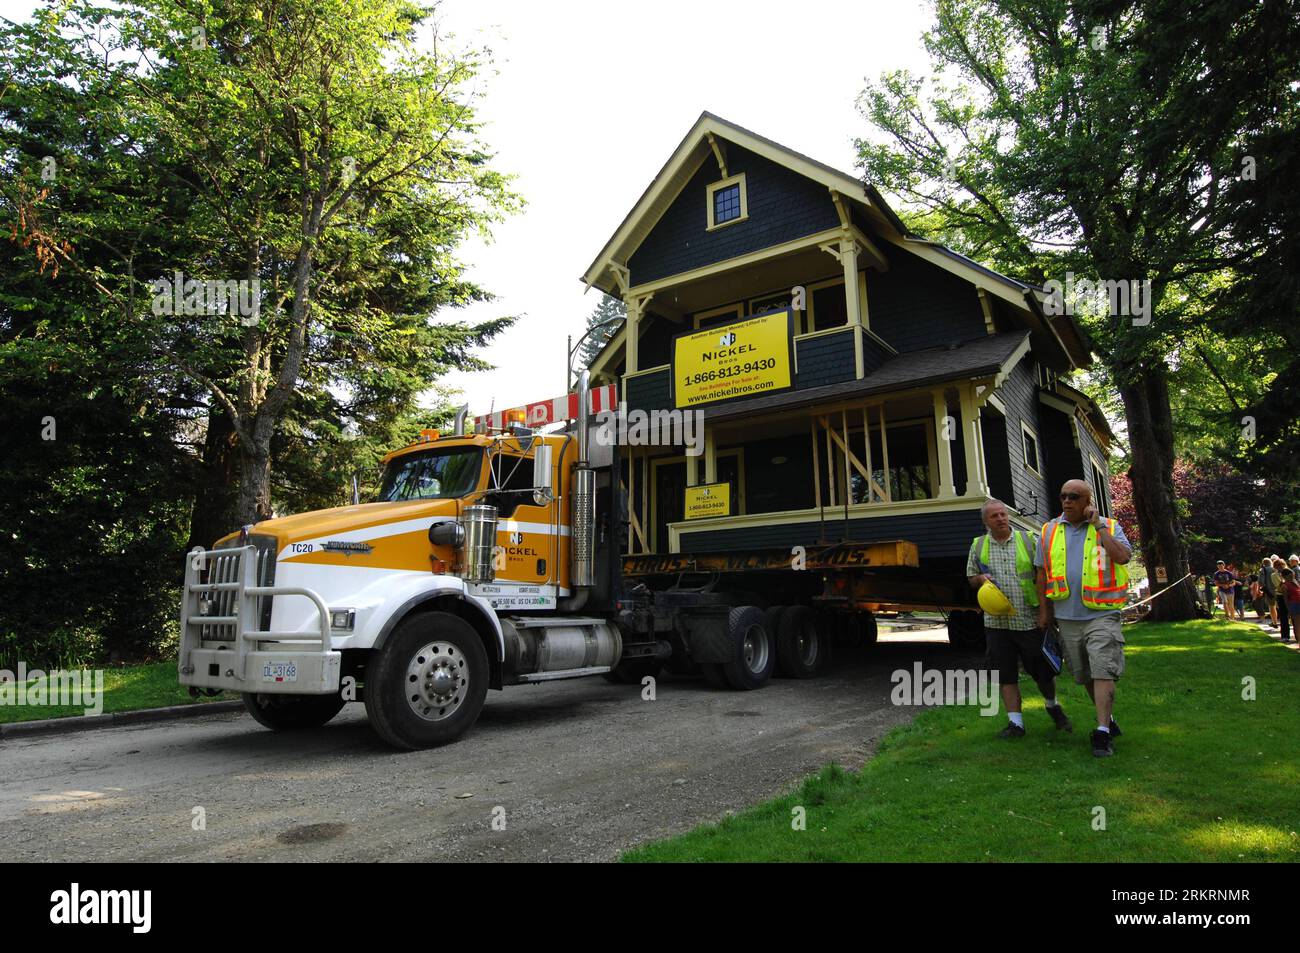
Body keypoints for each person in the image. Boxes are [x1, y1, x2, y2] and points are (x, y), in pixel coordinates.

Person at [1036, 479, 1133, 758]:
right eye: (1063, 496)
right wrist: (1045, 611)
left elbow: (1123, 557)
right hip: (1066, 617)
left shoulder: (1110, 527)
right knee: (1085, 674)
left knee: (1102, 668)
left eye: (1074, 497)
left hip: (1102, 614)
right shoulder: (1049, 530)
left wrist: (1099, 526)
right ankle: (1108, 720)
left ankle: (1101, 733)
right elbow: (1041, 574)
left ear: (1088, 501)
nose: (1067, 501)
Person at [967, 498, 1071, 739]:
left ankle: (1052, 706)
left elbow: (1043, 577)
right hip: (996, 623)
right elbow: (971, 577)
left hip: (1028, 619)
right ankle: (1016, 724)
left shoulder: (1028, 540)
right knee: (1005, 674)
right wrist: (981, 580)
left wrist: (1046, 613)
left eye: (1003, 514)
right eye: (995, 516)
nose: (1001, 519)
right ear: (986, 522)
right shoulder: (978, 545)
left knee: (1043, 673)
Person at [1272, 557, 1293, 643]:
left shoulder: (1290, 572)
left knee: (1294, 616)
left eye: (1282, 565)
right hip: (1281, 596)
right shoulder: (1274, 575)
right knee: (1284, 616)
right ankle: (1285, 635)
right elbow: (1279, 587)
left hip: (1292, 595)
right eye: (1278, 565)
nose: (1281, 567)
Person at [1260, 557, 1279, 628]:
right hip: (1278, 590)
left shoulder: (1263, 570)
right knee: (1281, 606)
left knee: (1272, 607)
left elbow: (1261, 581)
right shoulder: (1275, 569)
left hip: (1269, 591)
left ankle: (1274, 622)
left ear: (1263, 563)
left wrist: (1262, 589)